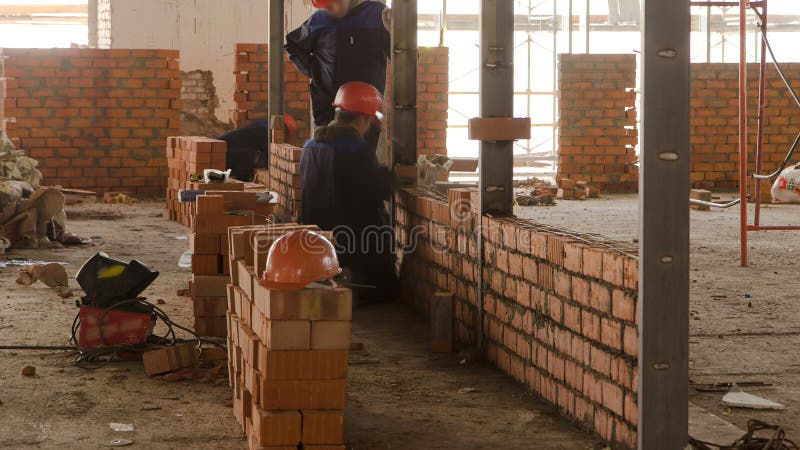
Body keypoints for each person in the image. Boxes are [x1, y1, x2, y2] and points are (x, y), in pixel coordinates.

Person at [299, 81, 397, 305]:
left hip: (316, 241)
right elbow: (376, 188)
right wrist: (396, 175)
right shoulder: (355, 150)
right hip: (351, 243)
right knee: (381, 238)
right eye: (370, 122)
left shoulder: (310, 146)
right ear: (362, 119)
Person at [285, 0, 391, 128]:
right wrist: (316, 71)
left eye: (334, 4)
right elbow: (293, 46)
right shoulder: (319, 20)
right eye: (327, 7)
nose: (332, 10)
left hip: (368, 111)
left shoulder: (377, 15)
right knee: (327, 146)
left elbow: (398, 51)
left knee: (364, 147)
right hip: (328, 109)